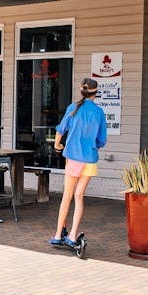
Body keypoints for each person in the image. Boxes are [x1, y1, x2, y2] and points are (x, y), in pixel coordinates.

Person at [50, 77, 107, 247]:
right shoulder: (98, 113)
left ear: (82, 91)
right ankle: (73, 235)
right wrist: (92, 146)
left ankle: (58, 235)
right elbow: (101, 140)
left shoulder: (73, 108)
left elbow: (61, 129)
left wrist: (57, 144)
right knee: (79, 196)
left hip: (73, 157)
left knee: (67, 196)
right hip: (89, 159)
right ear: (95, 94)